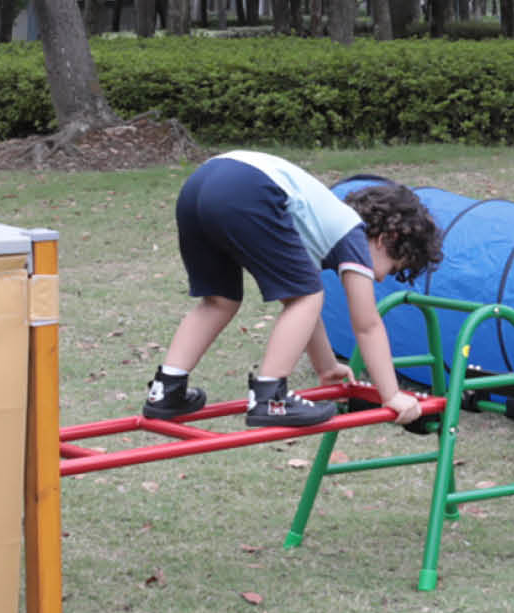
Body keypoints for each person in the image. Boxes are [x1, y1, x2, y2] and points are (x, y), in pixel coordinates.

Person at [142, 151, 443, 429]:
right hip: (247, 187)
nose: (381, 279)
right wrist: (391, 395)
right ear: (386, 238)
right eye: (393, 267)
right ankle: (270, 398)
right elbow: (367, 325)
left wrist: (326, 366)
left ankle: (166, 390)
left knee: (220, 301)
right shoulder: (351, 232)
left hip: (200, 184)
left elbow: (300, 306)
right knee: (308, 295)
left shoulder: (311, 226)